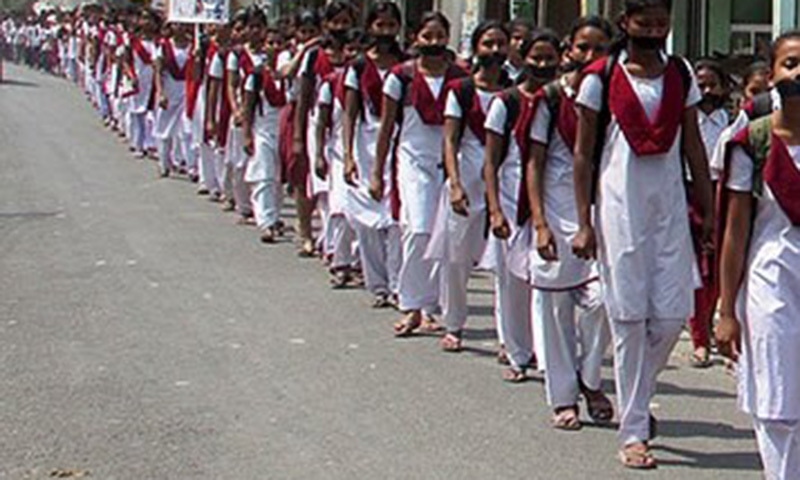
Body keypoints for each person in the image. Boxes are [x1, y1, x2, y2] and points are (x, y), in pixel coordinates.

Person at [572, 0, 714, 468]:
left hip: (669, 206)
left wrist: (708, 206)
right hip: (618, 206)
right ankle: (634, 430)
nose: (654, 29)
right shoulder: (600, 76)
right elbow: (582, 155)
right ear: (625, 23)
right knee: (630, 319)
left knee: (671, 316)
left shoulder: (680, 72)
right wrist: (585, 222)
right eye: (644, 21)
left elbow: (692, 140)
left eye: (661, 21)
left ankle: (633, 392)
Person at [716, 30, 800, 480]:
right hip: (771, 283)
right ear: (771, 76)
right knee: (777, 399)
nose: (799, 73)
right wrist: (726, 309)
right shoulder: (753, 141)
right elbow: (735, 230)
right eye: (790, 63)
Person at [525, 16, 614, 429]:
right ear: (568, 52)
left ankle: (591, 377)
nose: (590, 57)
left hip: (603, 210)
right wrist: (540, 222)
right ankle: (563, 396)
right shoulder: (550, 99)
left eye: (600, 49)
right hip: (558, 211)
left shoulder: (616, 95)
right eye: (583, 48)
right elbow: (535, 161)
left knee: (603, 302)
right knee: (555, 306)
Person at [369, 11, 466, 336]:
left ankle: (430, 307)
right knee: (419, 230)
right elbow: (386, 128)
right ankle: (410, 303)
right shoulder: (401, 77)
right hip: (412, 162)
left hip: (451, 163)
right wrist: (376, 172)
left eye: (440, 36)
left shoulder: (458, 77)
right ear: (416, 39)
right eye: (428, 37)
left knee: (446, 237)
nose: (434, 43)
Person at [482, 29, 561, 380]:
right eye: (536, 58)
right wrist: (495, 208)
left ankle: (548, 358)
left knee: (545, 281)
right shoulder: (507, 102)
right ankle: (517, 352)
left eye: (549, 58)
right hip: (513, 199)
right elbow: (492, 160)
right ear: (523, 59)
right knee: (511, 280)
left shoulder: (562, 100)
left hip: (553, 201)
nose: (543, 65)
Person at [429, 20, 509, 352]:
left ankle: (511, 337)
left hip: (505, 181)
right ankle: (454, 322)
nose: (494, 51)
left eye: (500, 44)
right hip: (467, 177)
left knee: (507, 263)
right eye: (488, 43)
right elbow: (450, 140)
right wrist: (455, 184)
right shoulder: (460, 91)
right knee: (457, 257)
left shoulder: (514, 90)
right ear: (476, 47)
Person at [342, 1, 404, 308]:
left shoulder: (405, 65)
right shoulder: (358, 66)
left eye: (391, 26)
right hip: (365, 145)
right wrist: (348, 154)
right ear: (370, 28)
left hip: (399, 145)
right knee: (368, 219)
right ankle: (377, 283)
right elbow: (350, 113)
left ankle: (397, 284)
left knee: (395, 217)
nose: (386, 31)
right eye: (380, 26)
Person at [293, 1, 356, 258]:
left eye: (346, 22)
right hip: (318, 124)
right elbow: (304, 98)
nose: (340, 28)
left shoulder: (357, 54)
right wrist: (298, 136)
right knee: (320, 184)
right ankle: (313, 235)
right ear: (326, 25)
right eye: (336, 22)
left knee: (343, 188)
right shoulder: (315, 56)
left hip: (349, 127)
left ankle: (335, 245)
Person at [687, 58, 730, 368]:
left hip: (724, 194)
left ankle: (712, 325)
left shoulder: (732, 120)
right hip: (690, 194)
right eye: (700, 86)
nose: (706, 91)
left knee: (718, 268)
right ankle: (699, 338)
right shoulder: (686, 121)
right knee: (697, 270)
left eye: (712, 84)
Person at [314, 28, 365, 287]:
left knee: (363, 214)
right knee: (341, 209)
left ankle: (359, 261)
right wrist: (319, 154)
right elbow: (322, 121)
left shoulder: (371, 81)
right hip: (338, 154)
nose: (353, 54)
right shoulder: (332, 82)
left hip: (367, 154)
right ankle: (339, 259)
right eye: (350, 49)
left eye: (359, 49)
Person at [242, 19, 285, 244]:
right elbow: (248, 106)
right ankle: (265, 221)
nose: (274, 47)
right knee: (265, 176)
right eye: (270, 43)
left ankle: (275, 216)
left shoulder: (288, 75)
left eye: (279, 43)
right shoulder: (256, 75)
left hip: (284, 130)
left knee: (278, 178)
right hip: (263, 131)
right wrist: (247, 133)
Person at [153, 22, 193, 178]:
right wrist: (161, 92)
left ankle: (191, 166)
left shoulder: (193, 45)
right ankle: (164, 162)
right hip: (170, 89)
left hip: (187, 90)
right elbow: (158, 70)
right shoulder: (164, 46)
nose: (180, 28)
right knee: (165, 129)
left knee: (187, 129)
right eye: (177, 25)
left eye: (182, 24)